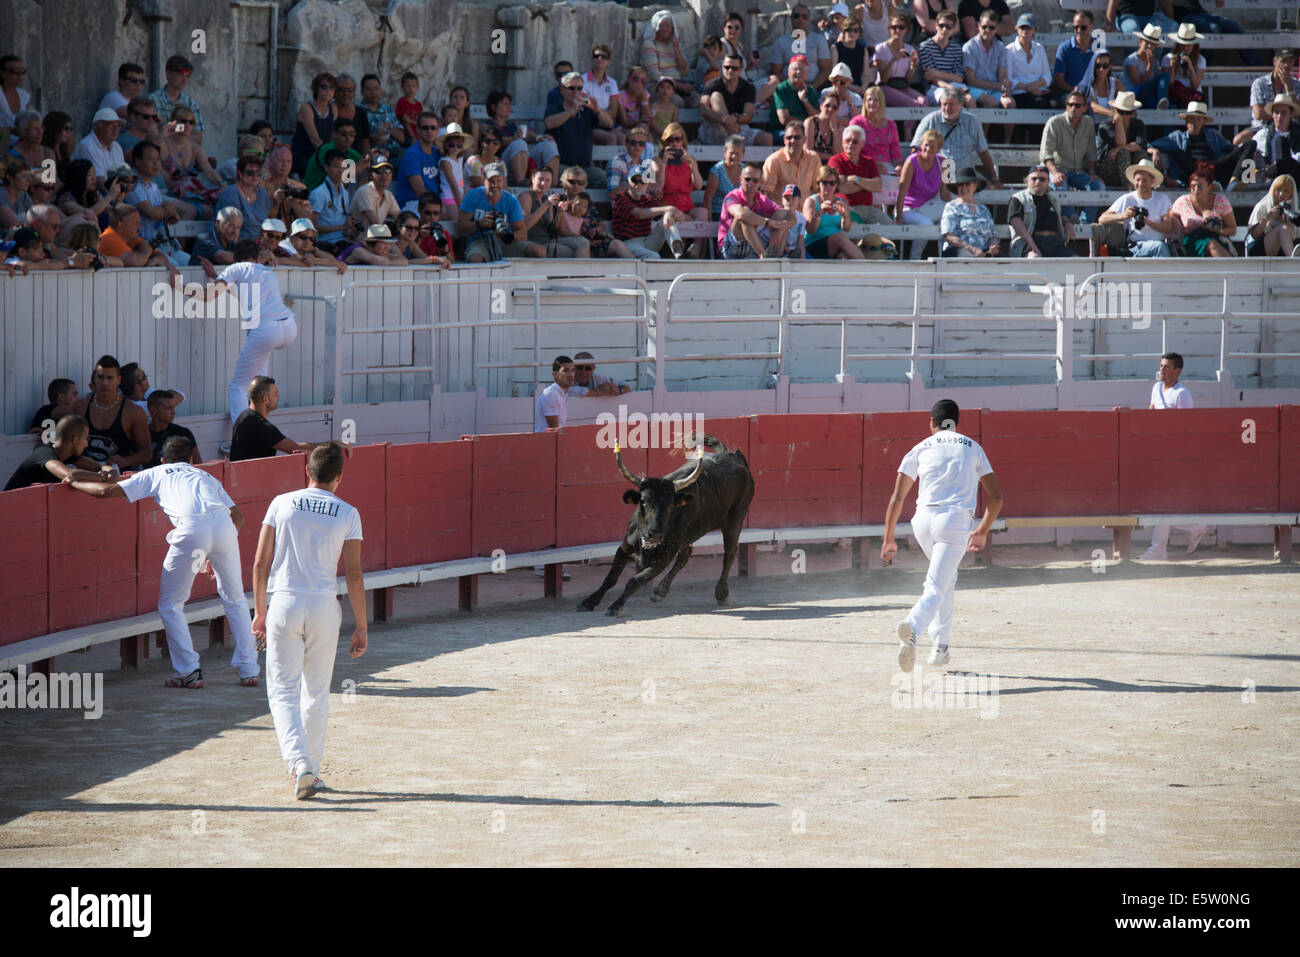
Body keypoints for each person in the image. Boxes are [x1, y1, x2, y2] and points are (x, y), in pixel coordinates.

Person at [64, 436, 259, 689]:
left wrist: (75, 482)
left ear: (164, 459)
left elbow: (103, 491)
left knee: (171, 603)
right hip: (224, 528)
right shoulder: (206, 477)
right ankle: (249, 669)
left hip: (192, 530)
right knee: (235, 598)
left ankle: (188, 671)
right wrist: (214, 551)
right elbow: (238, 516)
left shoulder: (156, 472)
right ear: (191, 459)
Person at [252, 442, 365, 799]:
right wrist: (361, 625)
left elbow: (259, 564)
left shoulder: (281, 503)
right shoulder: (348, 512)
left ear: (307, 471)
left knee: (283, 690)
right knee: (315, 691)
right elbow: (355, 575)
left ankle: (300, 765)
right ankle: (311, 770)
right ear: (339, 478)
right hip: (323, 605)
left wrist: (259, 612)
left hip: (283, 601)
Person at [882, 398, 1003, 672]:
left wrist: (888, 538)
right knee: (936, 585)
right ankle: (913, 626)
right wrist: (982, 530)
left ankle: (940, 647)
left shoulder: (919, 448)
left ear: (931, 423)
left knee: (946, 579)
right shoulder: (973, 448)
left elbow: (896, 499)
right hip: (954, 522)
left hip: (922, 521)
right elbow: (996, 498)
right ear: (957, 423)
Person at [180, 240, 297, 422]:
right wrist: (216, 277)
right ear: (257, 257)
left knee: (238, 387)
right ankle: (262, 430)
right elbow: (244, 294)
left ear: (234, 258)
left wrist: (178, 285)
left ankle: (242, 437)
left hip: (265, 331)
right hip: (289, 328)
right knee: (259, 384)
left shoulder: (235, 268)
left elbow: (207, 296)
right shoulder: (266, 271)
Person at [1138, 353, 1207, 560]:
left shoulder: (1182, 394)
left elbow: (1186, 428)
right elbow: (1150, 414)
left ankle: (1159, 549)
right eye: (1161, 366)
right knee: (1157, 501)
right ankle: (1194, 527)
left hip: (1173, 455)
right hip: (1157, 452)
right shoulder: (1156, 388)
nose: (1162, 370)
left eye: (1167, 367)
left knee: (1160, 501)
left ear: (1177, 371)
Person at [51, 355, 151, 470]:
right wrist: (45, 429)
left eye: (110, 378)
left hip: (119, 479)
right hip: (86, 476)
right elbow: (53, 415)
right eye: (100, 377)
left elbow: (146, 453)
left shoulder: (133, 412)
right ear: (94, 379)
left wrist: (124, 461)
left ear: (119, 380)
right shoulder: (81, 406)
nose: (105, 383)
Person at [230, 376, 337, 462]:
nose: (279, 396)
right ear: (265, 399)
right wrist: (332, 446)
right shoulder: (260, 426)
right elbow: (295, 449)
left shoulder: (244, 416)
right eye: (275, 394)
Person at [1148, 101, 1252, 189]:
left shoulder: (1212, 134)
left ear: (1204, 122)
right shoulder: (1176, 137)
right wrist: (1154, 151)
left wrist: (1245, 152)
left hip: (1213, 167)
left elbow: (1231, 149)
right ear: (1186, 121)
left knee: (1251, 144)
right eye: (1191, 119)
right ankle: (1212, 184)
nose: (1195, 122)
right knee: (1177, 152)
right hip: (1193, 170)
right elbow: (1148, 145)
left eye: (1198, 119)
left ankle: (1237, 183)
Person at [911, 87, 1001, 187]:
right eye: (944, 104)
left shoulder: (972, 121)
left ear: (961, 105)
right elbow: (916, 150)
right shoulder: (930, 120)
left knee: (987, 186)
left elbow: (983, 152)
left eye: (952, 104)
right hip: (938, 173)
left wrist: (994, 179)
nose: (947, 108)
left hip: (965, 174)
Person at [1041, 92, 1105, 223]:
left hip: (1079, 172)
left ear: (1084, 108)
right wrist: (1055, 172)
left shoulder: (1088, 123)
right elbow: (1045, 154)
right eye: (1070, 105)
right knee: (1060, 184)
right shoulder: (1054, 122)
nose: (1073, 108)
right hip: (1059, 169)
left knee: (1098, 186)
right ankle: (1070, 220)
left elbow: (1092, 152)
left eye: (1077, 105)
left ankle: (1085, 224)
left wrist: (1092, 171)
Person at [546, 72, 614, 188]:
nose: (575, 92)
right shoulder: (555, 108)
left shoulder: (586, 111)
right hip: (563, 166)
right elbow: (549, 123)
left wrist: (597, 109)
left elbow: (609, 123)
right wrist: (571, 111)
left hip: (586, 167)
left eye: (579, 88)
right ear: (562, 90)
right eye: (571, 88)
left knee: (607, 181)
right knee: (572, 182)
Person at [1098, 157, 1175, 256]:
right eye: (1138, 180)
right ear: (1133, 181)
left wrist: (1148, 222)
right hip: (1135, 246)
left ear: (1152, 181)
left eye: (1145, 180)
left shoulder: (1162, 199)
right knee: (1159, 247)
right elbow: (1102, 218)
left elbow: (1168, 226)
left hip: (1158, 244)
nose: (1140, 184)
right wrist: (1123, 215)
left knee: (1160, 247)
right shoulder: (1127, 198)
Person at [719, 161, 797, 259]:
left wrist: (783, 227)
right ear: (740, 180)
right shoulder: (732, 196)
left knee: (781, 215)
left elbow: (790, 215)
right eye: (747, 179)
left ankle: (776, 257)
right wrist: (769, 223)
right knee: (745, 215)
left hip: (753, 245)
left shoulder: (761, 199)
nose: (751, 183)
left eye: (755, 180)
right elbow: (741, 215)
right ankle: (764, 257)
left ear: (760, 183)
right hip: (730, 249)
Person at [458, 161, 532, 261]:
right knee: (476, 259)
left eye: (498, 180)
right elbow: (460, 227)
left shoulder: (511, 200)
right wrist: (479, 224)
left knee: (537, 251)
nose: (495, 184)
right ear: (484, 180)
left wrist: (506, 235)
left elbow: (523, 234)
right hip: (479, 240)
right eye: (491, 180)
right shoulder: (473, 195)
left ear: (503, 181)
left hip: (505, 242)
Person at [4, 415, 102, 491]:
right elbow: (68, 475)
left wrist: (109, 471)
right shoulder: (43, 452)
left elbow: (98, 467)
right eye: (85, 439)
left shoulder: (69, 455)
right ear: (75, 439)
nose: (86, 444)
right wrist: (102, 477)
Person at [652, 123, 707, 255]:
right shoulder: (657, 160)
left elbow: (698, 185)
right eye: (670, 140)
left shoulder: (689, 160)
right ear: (665, 143)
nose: (675, 143)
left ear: (683, 141)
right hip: (667, 204)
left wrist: (691, 164)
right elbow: (659, 187)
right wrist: (664, 163)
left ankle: (696, 249)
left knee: (703, 212)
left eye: (678, 139)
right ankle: (678, 252)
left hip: (686, 203)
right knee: (685, 218)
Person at [896, 129, 950, 258]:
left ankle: (946, 257)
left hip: (929, 206)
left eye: (932, 146)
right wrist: (898, 216)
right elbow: (902, 190)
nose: (928, 148)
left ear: (939, 148)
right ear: (921, 145)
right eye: (926, 144)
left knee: (948, 220)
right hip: (909, 208)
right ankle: (914, 258)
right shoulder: (911, 161)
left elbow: (945, 194)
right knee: (927, 225)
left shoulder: (946, 163)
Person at [613, 160, 683, 260]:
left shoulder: (648, 199)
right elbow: (640, 214)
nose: (639, 184)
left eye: (643, 181)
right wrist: (668, 209)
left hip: (646, 241)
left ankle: (678, 251)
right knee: (653, 256)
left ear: (647, 183)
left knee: (667, 217)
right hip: (627, 244)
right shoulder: (620, 197)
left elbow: (662, 214)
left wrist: (668, 212)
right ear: (629, 181)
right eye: (635, 180)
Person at [700, 52, 772, 146]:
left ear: (741, 69)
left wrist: (736, 118)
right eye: (727, 67)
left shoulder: (748, 87)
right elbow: (703, 109)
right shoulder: (712, 84)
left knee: (767, 138)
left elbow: (748, 116)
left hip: (738, 127)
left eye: (734, 68)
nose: (730, 71)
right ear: (722, 67)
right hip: (715, 127)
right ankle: (733, 136)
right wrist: (724, 121)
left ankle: (755, 160)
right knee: (716, 96)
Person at [1169, 163, 1237, 257]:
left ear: (1209, 186)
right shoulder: (1182, 202)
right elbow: (1170, 218)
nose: (1196, 190)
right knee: (1212, 244)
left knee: (1213, 243)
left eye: (1200, 186)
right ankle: (1230, 270)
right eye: (1193, 186)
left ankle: (1229, 270)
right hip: (1192, 242)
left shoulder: (1221, 201)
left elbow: (1232, 229)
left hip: (1216, 237)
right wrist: (1174, 221)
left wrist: (1216, 230)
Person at [1007, 164, 1076, 257]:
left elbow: (1061, 215)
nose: (1037, 182)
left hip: (1055, 243)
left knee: (1075, 260)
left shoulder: (1053, 200)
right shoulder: (1018, 199)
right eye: (1034, 179)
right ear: (1027, 181)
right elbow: (1014, 221)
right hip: (1028, 242)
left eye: (1042, 179)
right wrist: (1030, 241)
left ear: (1048, 182)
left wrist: (1068, 223)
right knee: (1035, 259)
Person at [828, 124, 888, 223]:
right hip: (846, 208)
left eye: (855, 142)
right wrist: (868, 185)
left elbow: (878, 186)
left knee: (891, 228)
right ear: (842, 142)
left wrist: (856, 179)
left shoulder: (869, 161)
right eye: (847, 140)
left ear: (862, 144)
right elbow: (841, 187)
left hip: (869, 210)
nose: (850, 144)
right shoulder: (835, 160)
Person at [97, 203, 179, 274]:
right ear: (121, 226)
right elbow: (135, 262)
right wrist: (147, 252)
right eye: (136, 223)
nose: (140, 227)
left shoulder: (132, 238)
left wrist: (156, 259)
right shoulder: (108, 238)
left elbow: (163, 258)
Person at [768, 4, 832, 88]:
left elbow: (825, 69)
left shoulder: (819, 40)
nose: (800, 19)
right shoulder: (780, 42)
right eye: (796, 16)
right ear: (791, 19)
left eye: (804, 16)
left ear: (809, 19)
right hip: (788, 88)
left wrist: (811, 88)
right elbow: (775, 72)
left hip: (815, 88)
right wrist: (793, 87)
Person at [940, 166, 998, 256]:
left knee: (1003, 261)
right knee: (967, 257)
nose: (963, 188)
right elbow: (949, 236)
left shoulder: (983, 209)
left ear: (975, 185)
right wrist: (972, 250)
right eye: (960, 185)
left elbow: (992, 235)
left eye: (967, 184)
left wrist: (993, 246)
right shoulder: (951, 207)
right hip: (959, 250)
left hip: (983, 252)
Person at [1096, 91, 1150, 188]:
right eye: (1121, 112)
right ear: (1115, 110)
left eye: (1128, 112)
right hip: (1108, 169)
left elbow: (1140, 145)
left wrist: (1119, 149)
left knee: (1140, 154)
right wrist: (1119, 122)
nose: (1124, 116)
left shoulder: (1138, 124)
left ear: (1133, 112)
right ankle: (1130, 186)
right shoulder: (1106, 125)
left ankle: (1144, 185)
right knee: (1123, 153)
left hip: (1129, 167)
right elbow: (1120, 142)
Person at [918, 10, 971, 107]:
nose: (944, 29)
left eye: (948, 26)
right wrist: (950, 87)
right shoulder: (924, 47)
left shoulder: (956, 48)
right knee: (949, 98)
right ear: (936, 25)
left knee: (969, 100)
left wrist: (936, 73)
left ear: (953, 28)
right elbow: (931, 78)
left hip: (955, 85)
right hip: (934, 88)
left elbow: (959, 78)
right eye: (942, 25)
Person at [802, 172, 861, 259]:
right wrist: (820, 213)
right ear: (819, 184)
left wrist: (845, 216)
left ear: (836, 185)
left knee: (842, 257)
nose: (828, 186)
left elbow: (847, 228)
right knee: (840, 237)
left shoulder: (842, 202)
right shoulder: (811, 201)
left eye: (832, 183)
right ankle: (868, 268)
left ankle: (866, 269)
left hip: (834, 246)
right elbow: (810, 230)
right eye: (825, 183)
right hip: (813, 244)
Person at [962, 10, 1013, 110]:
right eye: (984, 27)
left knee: (1010, 103)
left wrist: (1005, 85)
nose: (988, 30)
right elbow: (971, 81)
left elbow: (1002, 75)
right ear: (978, 26)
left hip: (995, 89)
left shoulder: (1000, 47)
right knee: (990, 101)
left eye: (992, 27)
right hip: (974, 89)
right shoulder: (969, 47)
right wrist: (997, 85)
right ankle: (980, 127)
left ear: (996, 28)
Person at [149, 55, 204, 146]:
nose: (184, 79)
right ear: (168, 74)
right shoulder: (153, 99)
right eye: (180, 75)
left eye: (187, 76)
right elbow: (151, 135)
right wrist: (183, 134)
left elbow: (198, 138)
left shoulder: (191, 102)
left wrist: (168, 133)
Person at [394, 110, 442, 213]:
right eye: (425, 128)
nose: (429, 131)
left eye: (433, 128)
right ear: (418, 130)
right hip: (413, 204)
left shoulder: (437, 152)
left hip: (433, 204)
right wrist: (439, 206)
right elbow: (419, 190)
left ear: (437, 130)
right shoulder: (412, 154)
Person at [763, 119, 823, 202]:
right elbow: (767, 192)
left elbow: (817, 188)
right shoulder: (773, 160)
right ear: (784, 140)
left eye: (797, 137)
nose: (793, 141)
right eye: (789, 137)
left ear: (804, 140)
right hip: (781, 212)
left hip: (806, 211)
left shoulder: (813, 158)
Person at [216, 154, 271, 241]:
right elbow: (228, 231)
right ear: (240, 173)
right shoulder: (231, 193)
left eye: (258, 173)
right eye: (250, 173)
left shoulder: (262, 194)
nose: (255, 176)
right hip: (237, 245)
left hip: (259, 244)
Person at [875, 14, 925, 109]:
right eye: (894, 27)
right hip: (885, 87)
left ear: (906, 30)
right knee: (912, 105)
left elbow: (908, 81)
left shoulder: (909, 49)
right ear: (890, 29)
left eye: (901, 27)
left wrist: (913, 65)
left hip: (902, 86)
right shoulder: (881, 48)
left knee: (924, 102)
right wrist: (893, 59)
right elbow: (884, 79)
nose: (897, 30)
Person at [292, 73, 337, 176]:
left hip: (325, 155)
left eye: (331, 87)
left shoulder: (333, 108)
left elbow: (334, 136)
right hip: (305, 154)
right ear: (316, 88)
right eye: (323, 87)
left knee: (349, 167)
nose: (328, 90)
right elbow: (315, 139)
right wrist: (331, 158)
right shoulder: (306, 109)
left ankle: (344, 191)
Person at [850, 85, 902, 172]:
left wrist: (898, 166)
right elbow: (852, 151)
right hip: (863, 166)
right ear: (864, 102)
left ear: (881, 103)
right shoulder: (857, 123)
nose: (872, 103)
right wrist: (873, 165)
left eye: (876, 100)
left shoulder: (891, 124)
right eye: (869, 99)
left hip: (886, 167)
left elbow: (895, 152)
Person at [70, 109, 126, 189]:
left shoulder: (116, 147)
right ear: (96, 127)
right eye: (111, 125)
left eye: (117, 126)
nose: (115, 130)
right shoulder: (88, 146)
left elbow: (123, 176)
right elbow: (99, 182)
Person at [1245, 173, 1298, 257]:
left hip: (1280, 251)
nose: (1281, 194)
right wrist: (1268, 217)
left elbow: (1294, 237)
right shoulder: (1262, 206)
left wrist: (1289, 223)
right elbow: (1254, 235)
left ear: (1291, 195)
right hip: (1257, 249)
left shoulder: (1291, 211)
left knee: (1285, 227)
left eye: (1286, 191)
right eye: (1279, 189)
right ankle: (1294, 261)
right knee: (1282, 228)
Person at [144, 390, 201, 467]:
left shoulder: (183, 433)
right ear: (153, 410)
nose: (173, 412)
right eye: (169, 408)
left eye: (173, 407)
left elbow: (199, 465)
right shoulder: (142, 434)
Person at [302, 119, 361, 192]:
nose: (348, 137)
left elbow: (363, 161)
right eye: (343, 134)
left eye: (352, 135)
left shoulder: (350, 151)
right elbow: (339, 175)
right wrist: (363, 164)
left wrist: (371, 157)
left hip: (333, 195)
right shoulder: (326, 149)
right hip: (313, 193)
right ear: (333, 134)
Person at [1252, 94, 1300, 182]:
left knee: (1281, 142)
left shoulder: (1298, 133)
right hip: (1273, 177)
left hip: (1295, 174)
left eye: (1284, 112)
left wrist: (1279, 163)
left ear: (1291, 114)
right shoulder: (1264, 134)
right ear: (1272, 115)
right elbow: (1246, 149)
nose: (1279, 116)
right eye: (1276, 112)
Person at [1054, 11, 1098, 103]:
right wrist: (1076, 90)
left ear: (1091, 26)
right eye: (1075, 27)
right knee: (1077, 104)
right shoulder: (1065, 48)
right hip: (1069, 94)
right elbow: (1058, 80)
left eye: (1083, 27)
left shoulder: (1099, 48)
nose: (1079, 31)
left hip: (1094, 94)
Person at [1249, 49, 1297, 136]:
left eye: (1290, 62)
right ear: (1275, 61)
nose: (1287, 65)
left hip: (1290, 129)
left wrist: (1289, 88)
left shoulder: (1297, 85)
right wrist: (1282, 117)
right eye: (1283, 61)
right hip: (1260, 128)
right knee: (1238, 140)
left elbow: (1298, 113)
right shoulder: (1260, 83)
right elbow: (1258, 113)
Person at [771, 56, 819, 139]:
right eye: (795, 69)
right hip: (783, 130)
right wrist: (807, 126)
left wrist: (804, 100)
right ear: (789, 72)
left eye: (802, 69)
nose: (798, 72)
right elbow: (784, 119)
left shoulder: (811, 91)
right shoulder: (781, 89)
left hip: (807, 131)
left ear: (807, 74)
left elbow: (817, 118)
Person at [1161, 23, 1206, 110]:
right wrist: (1172, 68)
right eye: (1182, 44)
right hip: (1175, 97)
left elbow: (1195, 86)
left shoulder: (1200, 60)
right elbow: (1168, 85)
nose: (1185, 48)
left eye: (1189, 45)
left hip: (1192, 98)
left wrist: (1190, 66)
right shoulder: (1168, 58)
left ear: (1194, 45)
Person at [1124, 24, 1169, 111]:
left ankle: (1162, 101)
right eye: (1147, 42)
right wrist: (1149, 65)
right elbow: (1140, 84)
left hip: (1147, 96)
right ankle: (1161, 100)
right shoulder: (1131, 60)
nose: (1149, 46)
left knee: (1171, 107)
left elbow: (1155, 83)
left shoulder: (1154, 61)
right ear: (1140, 41)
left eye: (1152, 44)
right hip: (1133, 96)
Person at [360, 73, 404, 158]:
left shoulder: (387, 110)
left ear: (380, 90)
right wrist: (370, 136)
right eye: (369, 89)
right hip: (372, 155)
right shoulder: (357, 109)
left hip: (395, 152)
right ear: (362, 92)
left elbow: (402, 138)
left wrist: (389, 128)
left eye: (376, 88)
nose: (373, 92)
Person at [704, 134, 746, 223]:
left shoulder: (745, 170)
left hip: (740, 213)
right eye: (731, 153)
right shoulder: (717, 170)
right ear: (725, 152)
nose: (734, 157)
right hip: (720, 214)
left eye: (737, 153)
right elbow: (708, 199)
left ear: (743, 154)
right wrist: (709, 223)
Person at [284, 217, 350, 272]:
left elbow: (333, 259)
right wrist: (333, 263)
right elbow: (302, 262)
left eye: (311, 239)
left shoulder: (302, 248)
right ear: (293, 237)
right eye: (303, 237)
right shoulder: (285, 244)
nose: (307, 241)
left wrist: (314, 250)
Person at [535, 354, 576, 431]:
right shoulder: (551, 394)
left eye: (573, 370)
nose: (571, 374)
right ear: (555, 374)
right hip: (545, 441)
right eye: (566, 371)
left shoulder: (561, 393)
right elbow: (555, 430)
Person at [436, 123, 469, 214]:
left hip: (458, 196)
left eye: (459, 145)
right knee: (456, 223)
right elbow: (453, 186)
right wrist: (461, 205)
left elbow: (460, 181)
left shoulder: (459, 159)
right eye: (451, 145)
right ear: (445, 145)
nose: (455, 148)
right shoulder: (445, 161)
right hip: (448, 198)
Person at [833, 17, 874, 89]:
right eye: (849, 30)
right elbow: (834, 75)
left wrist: (863, 88)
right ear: (844, 32)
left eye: (856, 30)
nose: (852, 33)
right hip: (841, 87)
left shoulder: (863, 50)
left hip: (860, 88)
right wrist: (853, 88)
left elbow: (866, 74)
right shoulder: (836, 48)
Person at [341, 223, 408, 266]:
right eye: (383, 243)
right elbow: (382, 262)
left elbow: (404, 261)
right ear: (371, 243)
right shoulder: (358, 250)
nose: (388, 247)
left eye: (389, 243)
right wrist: (388, 258)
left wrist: (388, 259)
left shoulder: (378, 253)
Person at [806, 89, 845, 161]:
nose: (830, 109)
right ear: (821, 106)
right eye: (827, 105)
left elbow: (838, 154)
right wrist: (830, 157)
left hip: (831, 166)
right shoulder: (811, 122)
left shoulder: (839, 128)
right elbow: (808, 151)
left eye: (834, 107)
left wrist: (834, 130)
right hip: (812, 162)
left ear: (837, 110)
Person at [395, 72, 425, 144]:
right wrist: (413, 137)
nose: (410, 89)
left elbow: (421, 122)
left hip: (418, 136)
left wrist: (411, 121)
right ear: (402, 87)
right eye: (407, 86)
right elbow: (405, 121)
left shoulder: (418, 105)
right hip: (407, 135)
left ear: (417, 88)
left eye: (413, 86)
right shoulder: (402, 102)